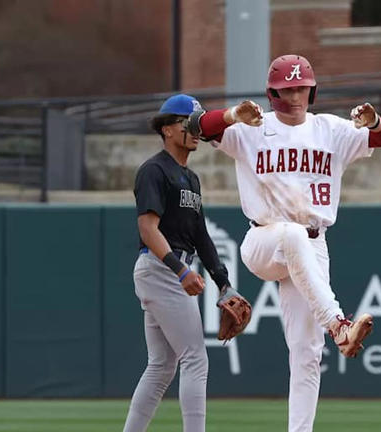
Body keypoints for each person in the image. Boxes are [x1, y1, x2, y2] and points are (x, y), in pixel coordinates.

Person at [190, 54, 381, 432]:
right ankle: (339, 326)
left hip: (313, 244)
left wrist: (375, 121)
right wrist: (235, 114)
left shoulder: (330, 129)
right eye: (288, 89)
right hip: (264, 240)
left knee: (306, 354)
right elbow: (198, 124)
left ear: (312, 90)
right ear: (273, 93)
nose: (296, 95)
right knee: (291, 234)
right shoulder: (253, 127)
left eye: (301, 88)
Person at [124, 94, 247, 432]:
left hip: (167, 269)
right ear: (166, 129)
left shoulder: (191, 179)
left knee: (162, 365)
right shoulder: (154, 170)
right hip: (162, 267)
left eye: (197, 123)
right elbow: (147, 228)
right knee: (195, 358)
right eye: (187, 122)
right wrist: (181, 272)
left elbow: (201, 236)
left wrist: (224, 283)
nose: (195, 129)